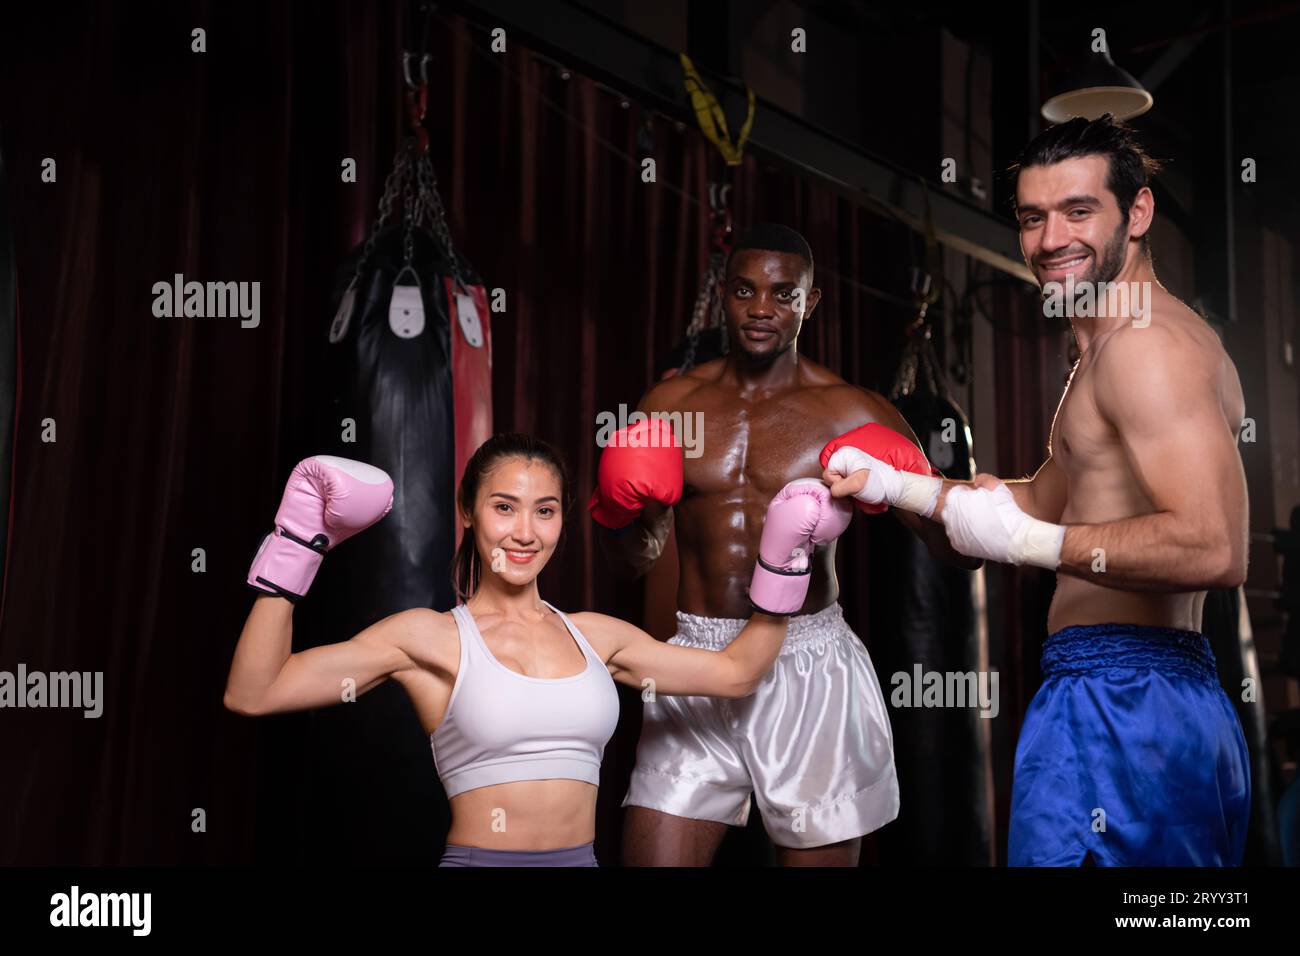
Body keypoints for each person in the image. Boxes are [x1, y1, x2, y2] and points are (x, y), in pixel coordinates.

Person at [822, 114, 1251, 866]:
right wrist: (905, 488)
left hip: (1130, 701)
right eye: (1032, 217)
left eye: (1079, 211)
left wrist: (1028, 543)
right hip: (1109, 692)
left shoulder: (1150, 348)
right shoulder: (1104, 350)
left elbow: (1213, 544)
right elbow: (1036, 506)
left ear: (1138, 213)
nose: (1051, 239)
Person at [226, 431, 850, 867]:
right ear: (469, 511)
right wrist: (299, 542)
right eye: (504, 507)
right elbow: (255, 692)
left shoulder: (597, 636)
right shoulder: (426, 637)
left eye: (544, 511)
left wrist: (784, 562)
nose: (525, 533)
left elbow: (737, 673)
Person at [595, 223, 978, 867]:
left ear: (811, 301)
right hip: (697, 660)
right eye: (746, 291)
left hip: (807, 667)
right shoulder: (671, 404)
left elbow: (958, 551)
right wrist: (620, 511)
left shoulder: (853, 411)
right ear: (724, 293)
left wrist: (900, 485)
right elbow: (633, 559)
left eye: (782, 293)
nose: (762, 310)